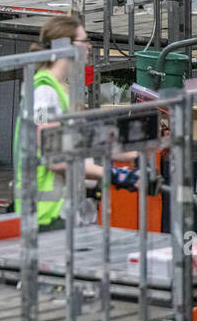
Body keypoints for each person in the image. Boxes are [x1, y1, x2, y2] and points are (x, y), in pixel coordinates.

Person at [14, 16, 123, 231]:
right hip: (47, 216)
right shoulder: (44, 93)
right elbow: (56, 158)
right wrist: (111, 174)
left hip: (66, 212)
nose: (90, 46)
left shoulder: (61, 90)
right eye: (85, 41)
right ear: (66, 46)